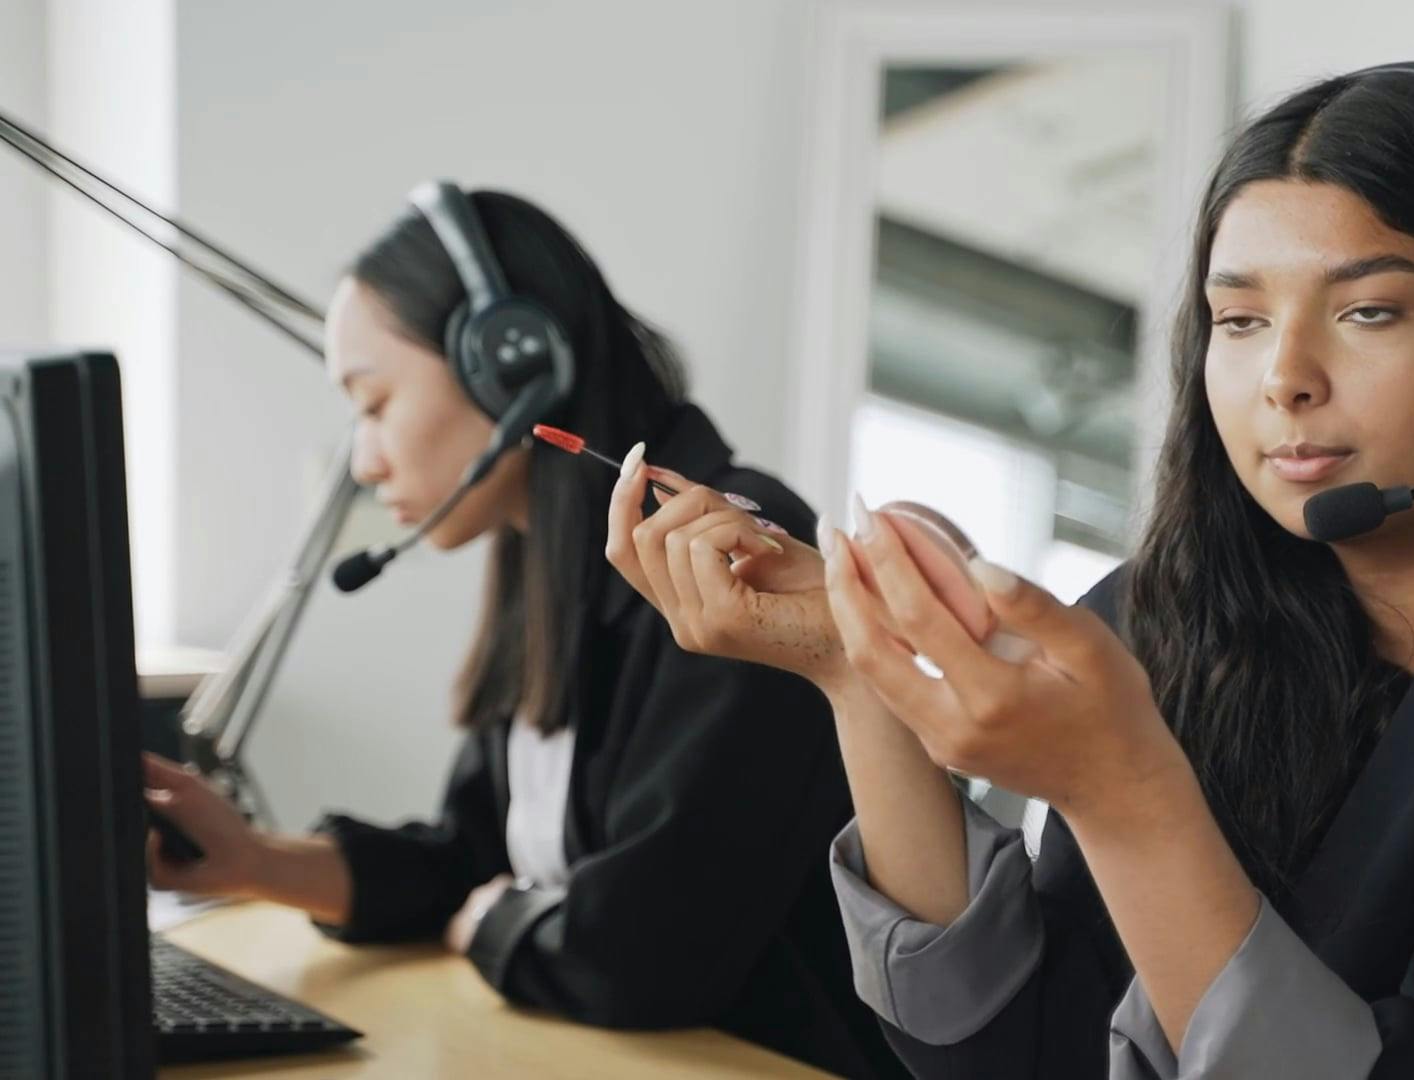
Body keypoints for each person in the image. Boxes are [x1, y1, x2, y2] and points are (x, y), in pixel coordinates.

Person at [605, 67, 1414, 1078]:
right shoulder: (1177, 606)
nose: (1284, 378)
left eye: (1369, 312)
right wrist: (858, 674)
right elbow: (1014, 1050)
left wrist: (1124, 790)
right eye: (1240, 322)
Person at [144, 187, 904, 1079]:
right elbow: (468, 861)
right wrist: (255, 862)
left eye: (374, 403)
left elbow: (645, 955)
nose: (364, 459)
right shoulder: (542, 562)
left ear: (512, 369)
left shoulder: (727, 549)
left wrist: (495, 923)